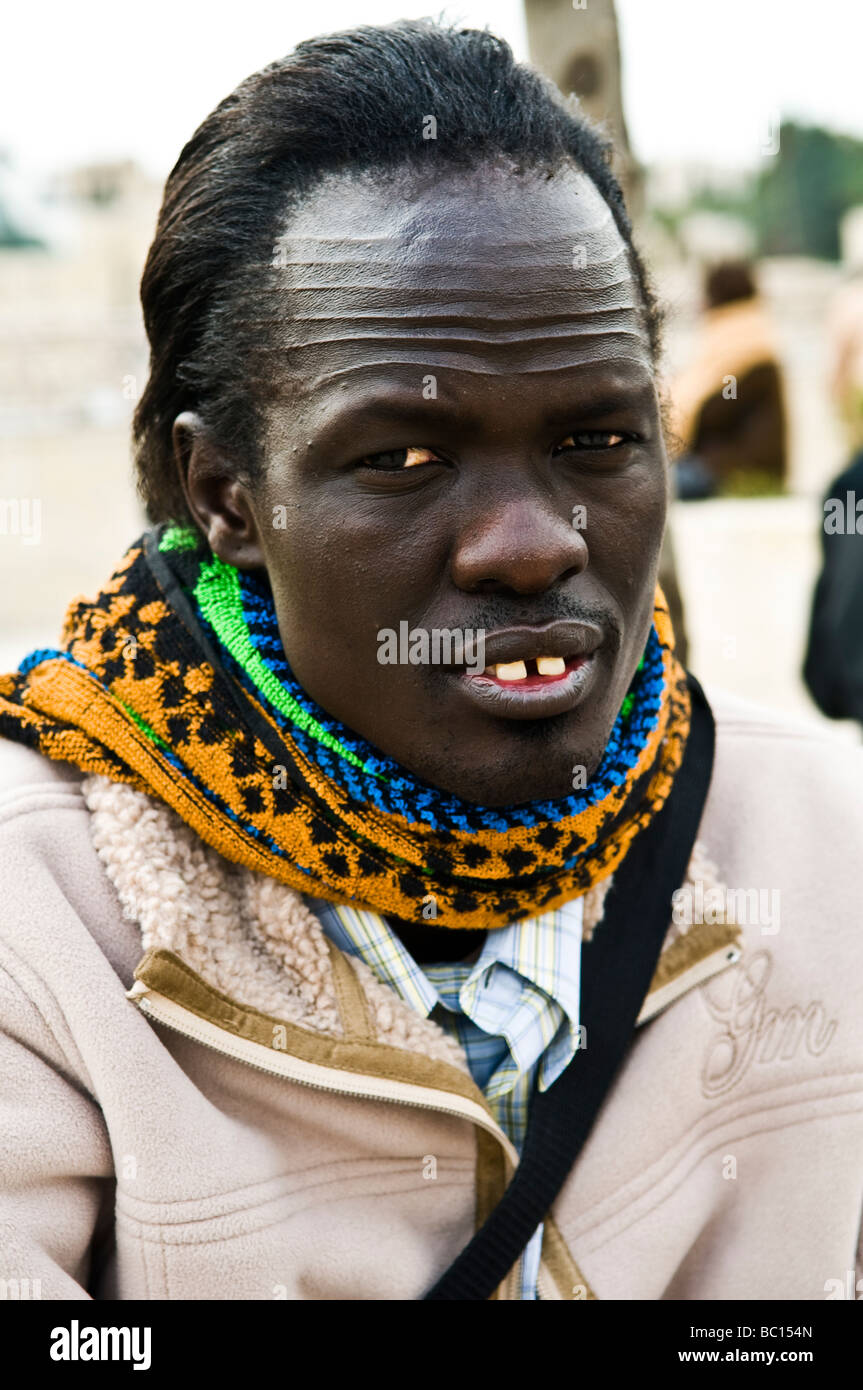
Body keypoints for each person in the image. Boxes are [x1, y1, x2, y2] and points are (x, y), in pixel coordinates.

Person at [0, 20, 861, 1302]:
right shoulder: (44, 919)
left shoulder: (823, 841)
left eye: (594, 441)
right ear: (226, 494)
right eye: (401, 457)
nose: (529, 547)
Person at [670, 260, 788, 498]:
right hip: (728, 466)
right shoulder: (750, 337)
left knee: (646, 483)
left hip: (739, 470)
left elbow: (712, 414)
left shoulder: (745, 349)